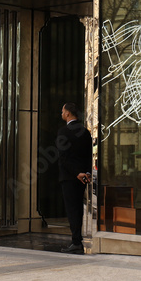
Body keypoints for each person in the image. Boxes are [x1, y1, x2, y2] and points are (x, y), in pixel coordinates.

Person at [57, 103, 92, 253]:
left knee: (72, 209)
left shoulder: (63, 132)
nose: (61, 113)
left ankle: (76, 241)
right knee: (79, 208)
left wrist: (76, 172)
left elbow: (63, 158)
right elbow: (90, 155)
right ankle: (78, 240)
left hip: (70, 177)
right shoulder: (86, 132)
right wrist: (86, 173)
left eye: (63, 111)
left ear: (68, 114)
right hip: (83, 177)